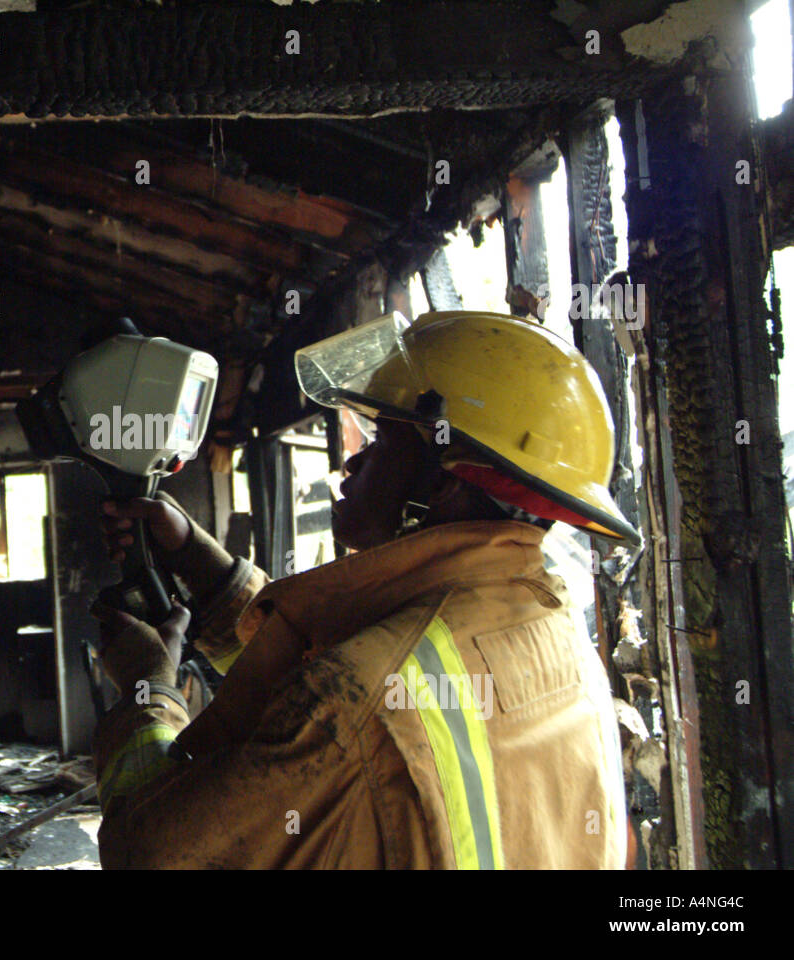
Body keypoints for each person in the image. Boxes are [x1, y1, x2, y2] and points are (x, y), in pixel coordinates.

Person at [90, 310, 637, 869]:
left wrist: (148, 688)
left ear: (445, 483)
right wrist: (195, 559)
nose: (354, 459)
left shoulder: (358, 691)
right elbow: (327, 654)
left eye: (381, 439)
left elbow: (148, 857)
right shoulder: (549, 622)